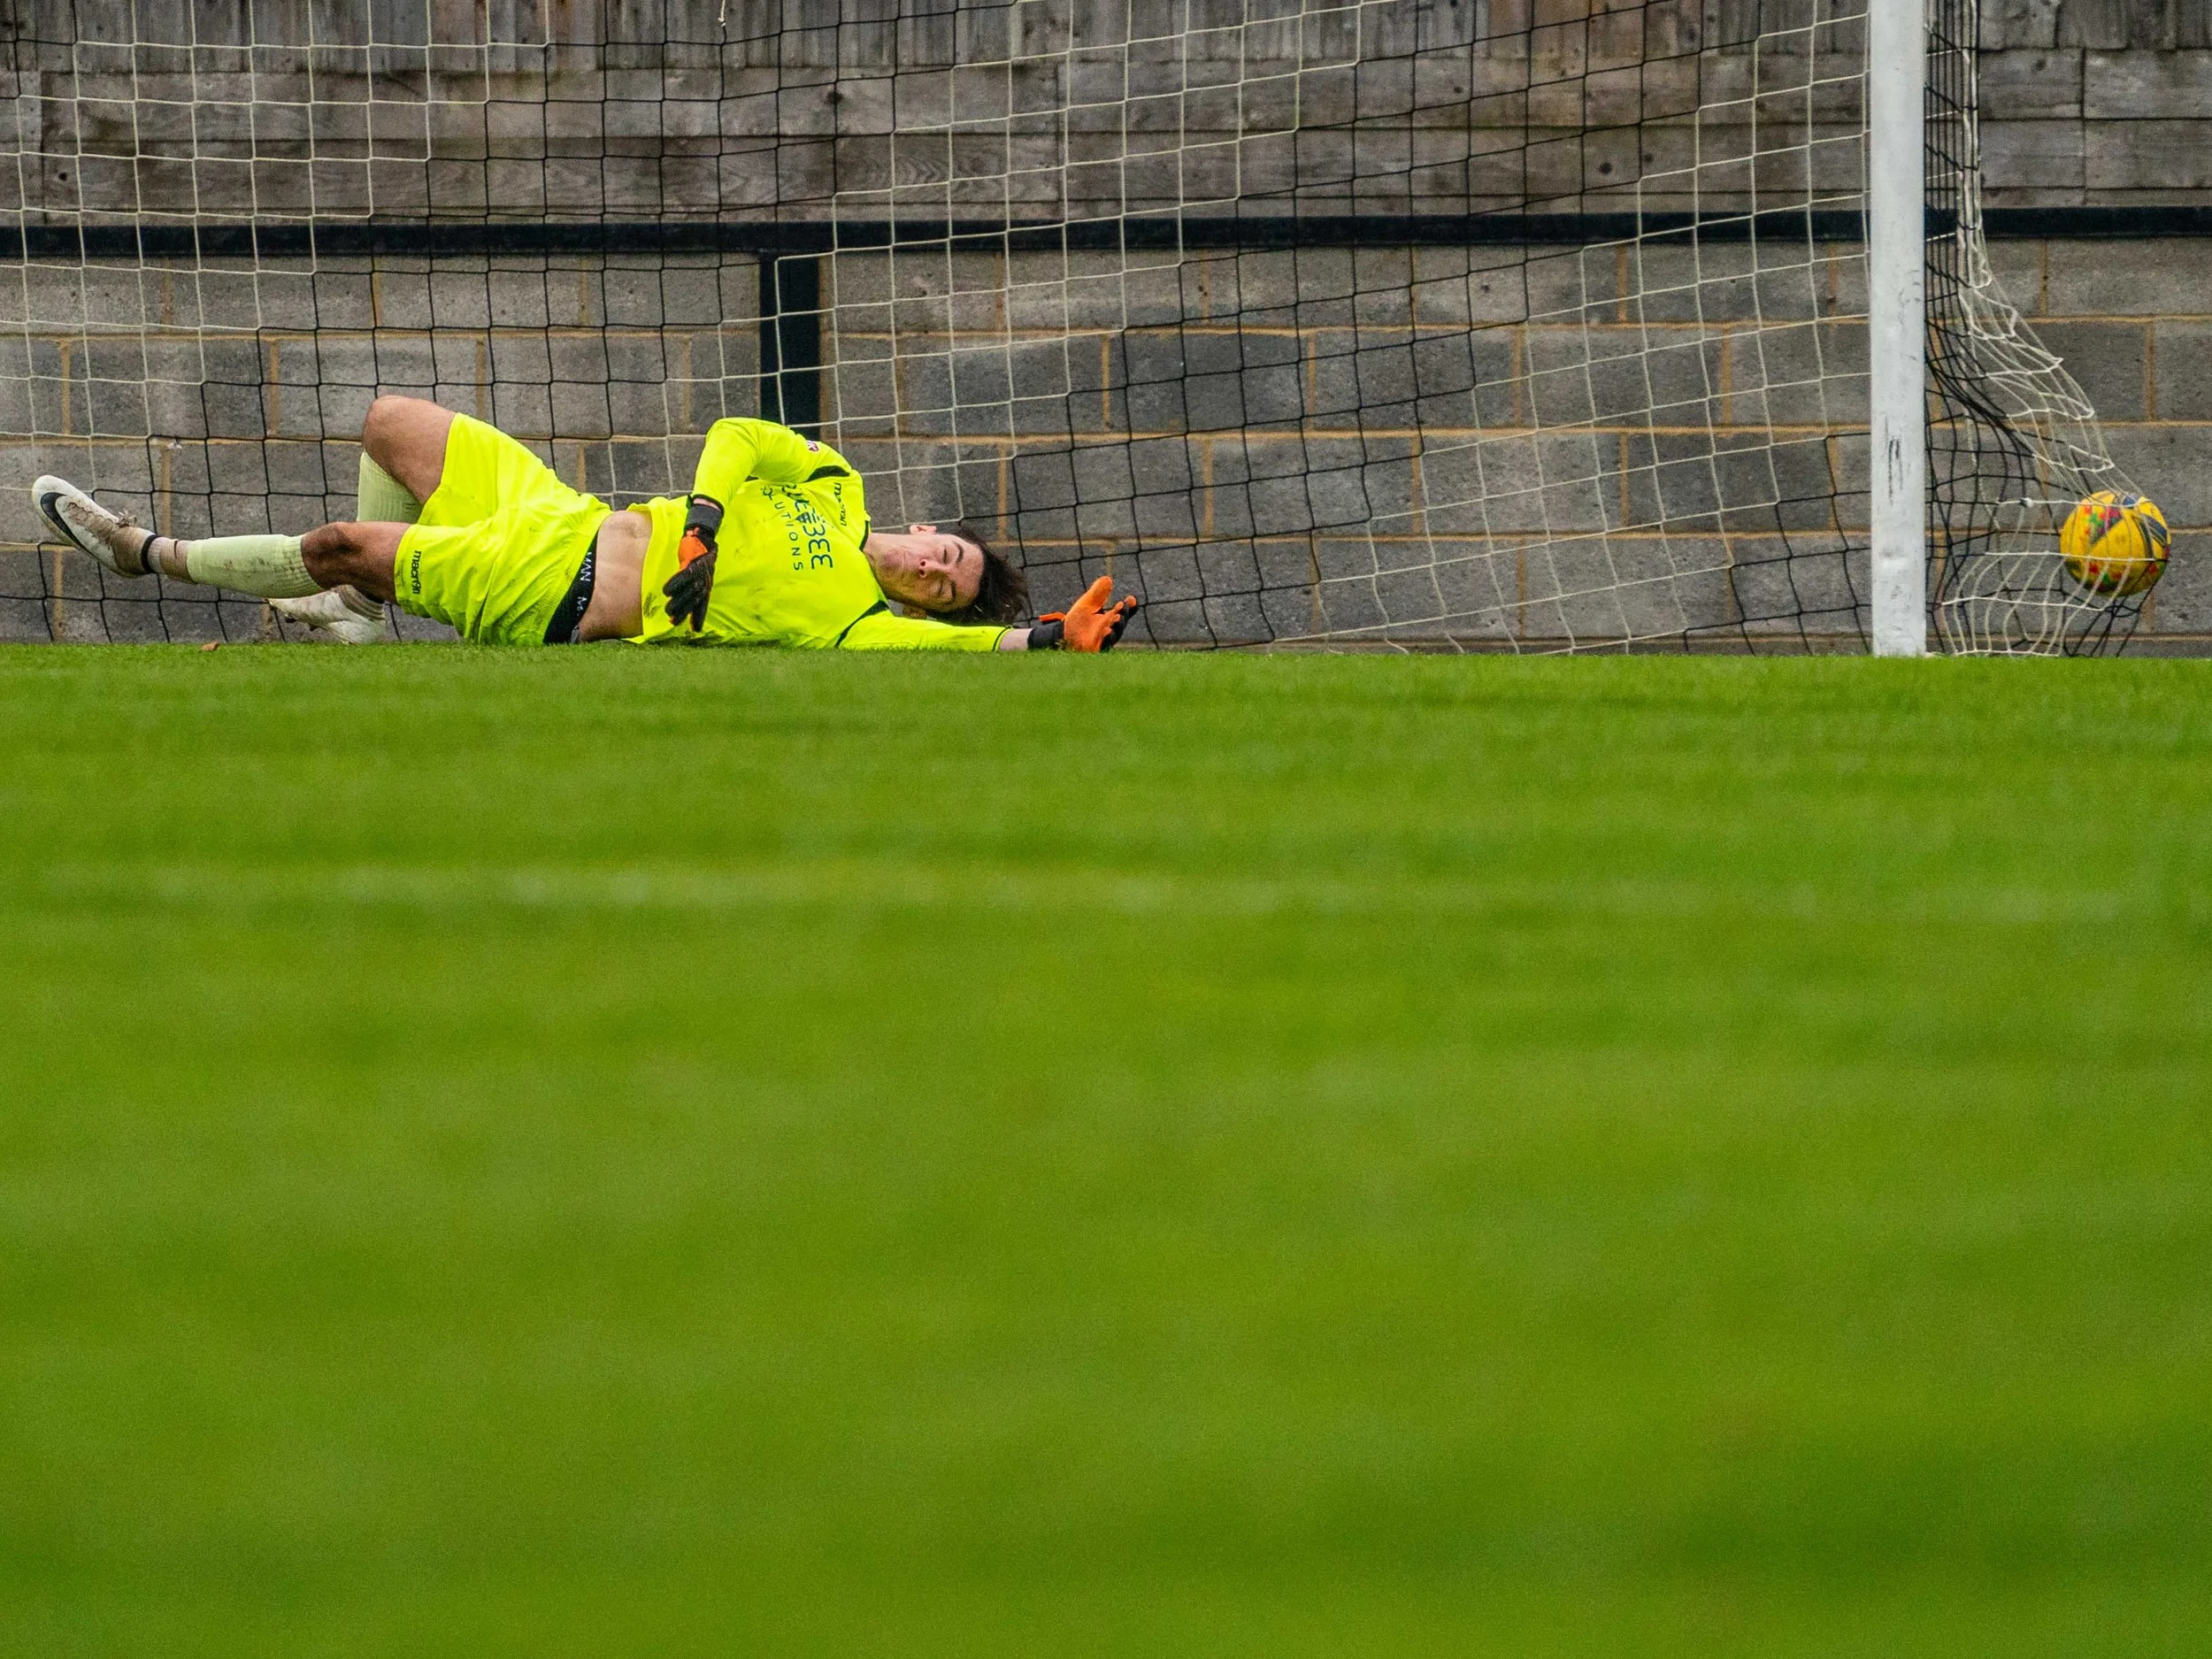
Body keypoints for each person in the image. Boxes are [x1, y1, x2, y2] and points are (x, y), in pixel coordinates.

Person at [35, 396, 1139, 652]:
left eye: (940, 583)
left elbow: (947, 652)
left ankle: (142, 554)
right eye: (946, 551)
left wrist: (1033, 638)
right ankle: (363, 621)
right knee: (389, 424)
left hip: (559, 592)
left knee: (340, 543)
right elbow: (740, 432)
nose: (933, 570)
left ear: (914, 599)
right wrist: (702, 517)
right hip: (565, 514)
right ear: (926, 526)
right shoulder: (836, 489)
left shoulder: (852, 619)